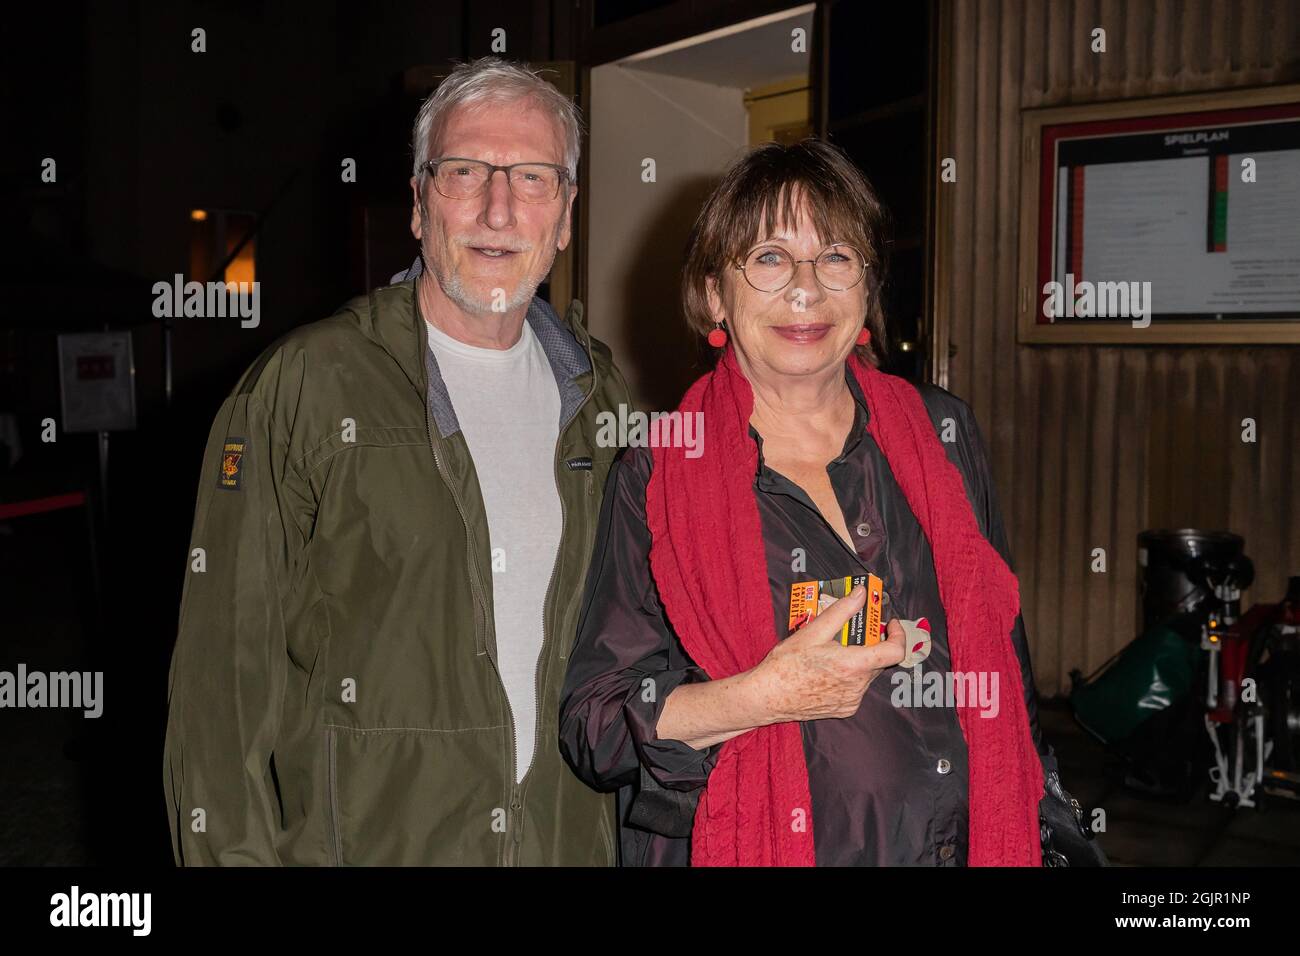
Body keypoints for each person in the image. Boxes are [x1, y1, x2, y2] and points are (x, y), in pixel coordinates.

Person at [164, 57, 629, 865]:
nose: (497, 207)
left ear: (564, 216)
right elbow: (222, 696)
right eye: (463, 172)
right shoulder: (304, 386)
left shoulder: (604, 397)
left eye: (532, 177)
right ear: (418, 205)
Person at [560, 139, 1049, 866]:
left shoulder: (943, 432)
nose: (805, 289)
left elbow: (1010, 671)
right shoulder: (657, 472)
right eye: (767, 258)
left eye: (836, 258)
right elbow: (595, 724)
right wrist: (763, 696)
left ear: (865, 290)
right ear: (713, 295)